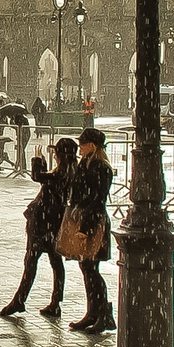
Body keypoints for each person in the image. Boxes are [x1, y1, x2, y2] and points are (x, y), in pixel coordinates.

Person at [0, 137, 76, 318]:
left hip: (43, 222)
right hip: (55, 222)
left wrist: (38, 160)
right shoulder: (71, 171)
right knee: (55, 263)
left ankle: (20, 299)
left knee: (31, 261)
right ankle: (55, 302)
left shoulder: (61, 173)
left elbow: (38, 177)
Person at [67, 127, 116, 334]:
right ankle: (93, 313)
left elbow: (97, 199)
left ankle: (103, 314)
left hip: (94, 222)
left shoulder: (100, 167)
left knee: (91, 268)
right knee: (86, 267)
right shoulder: (85, 164)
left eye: (82, 145)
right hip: (84, 219)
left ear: (92, 146)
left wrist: (86, 227)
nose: (79, 148)